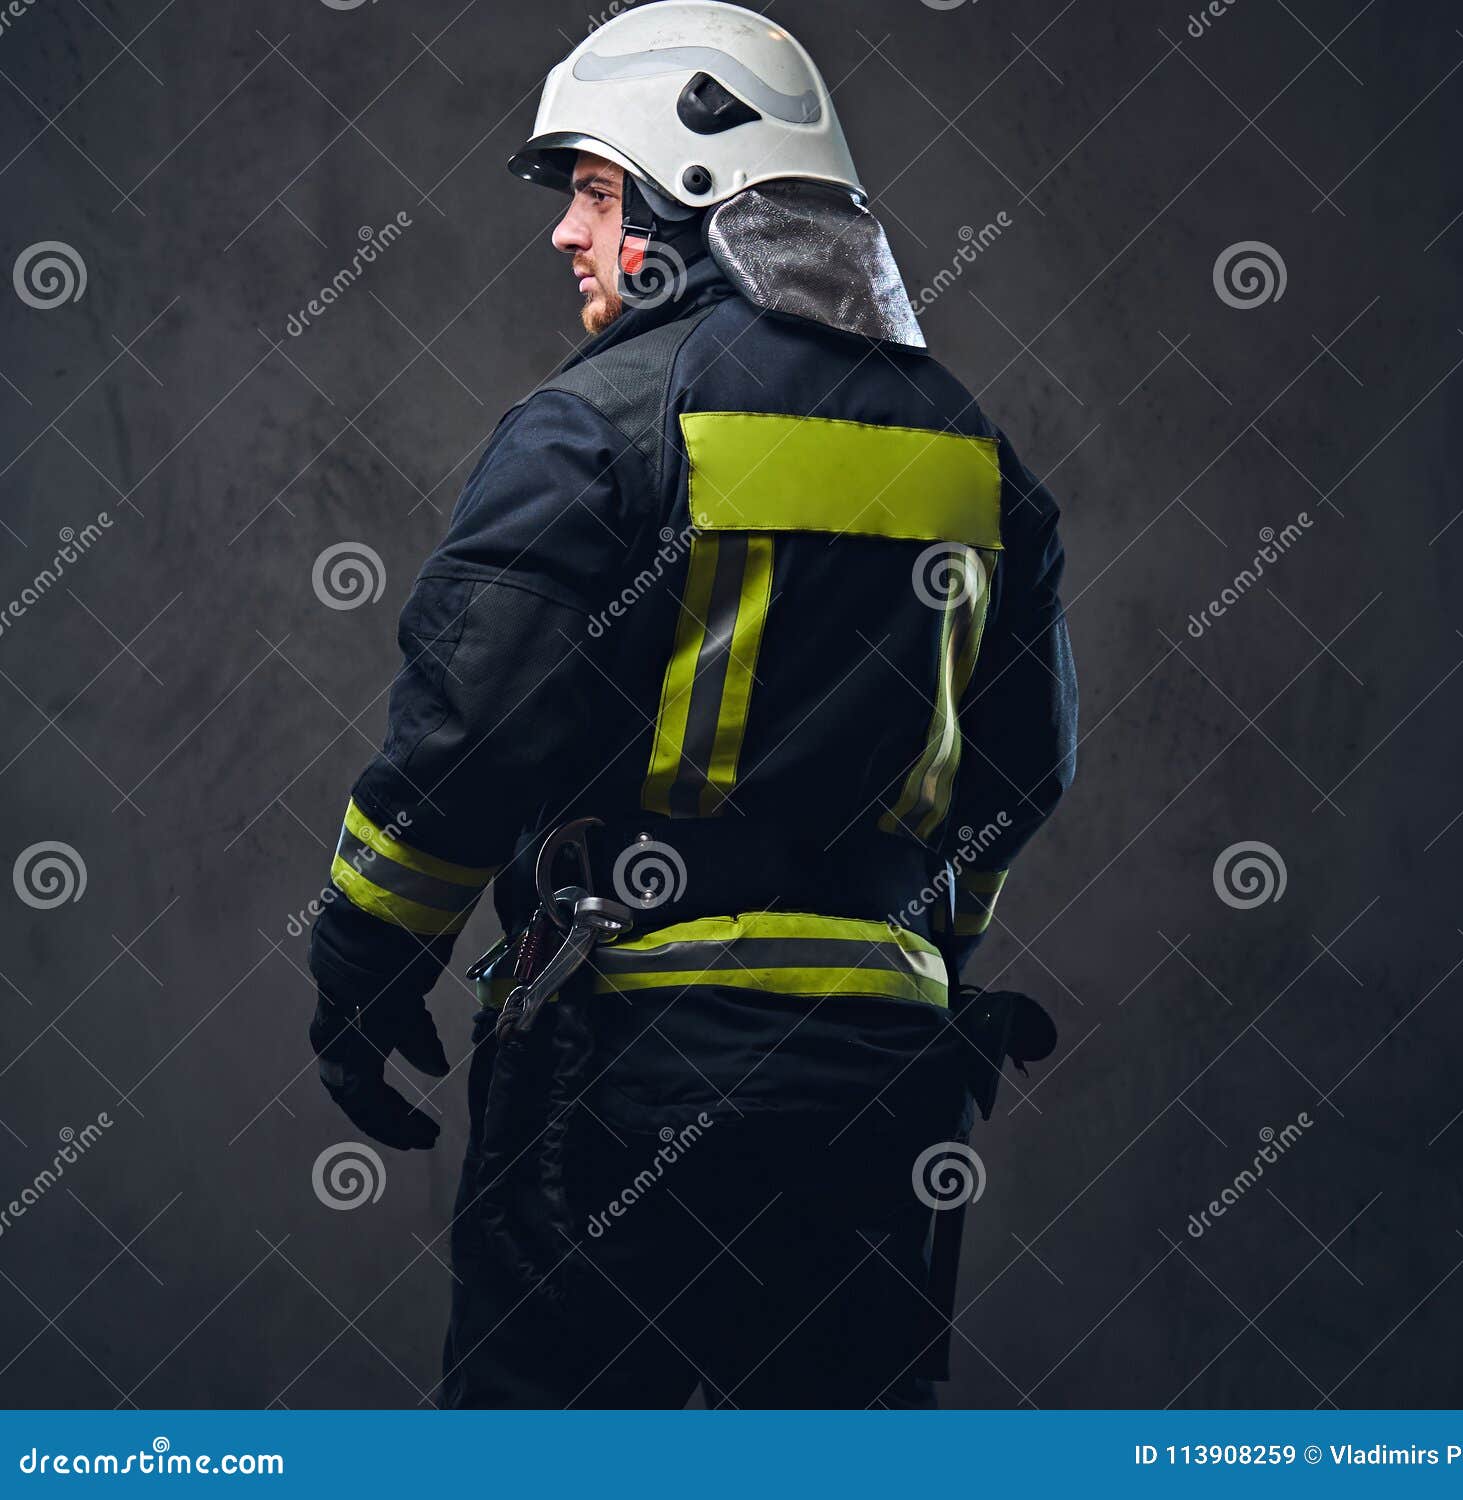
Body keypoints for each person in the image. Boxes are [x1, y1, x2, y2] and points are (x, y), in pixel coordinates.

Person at [306, 0, 1077, 1409]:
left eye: (597, 193)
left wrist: (363, 972)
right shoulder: (974, 453)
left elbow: (466, 741)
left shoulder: (598, 426)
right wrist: (921, 947)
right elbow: (1025, 764)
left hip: (631, 1068)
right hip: (887, 1092)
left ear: (688, 200)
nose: (567, 235)